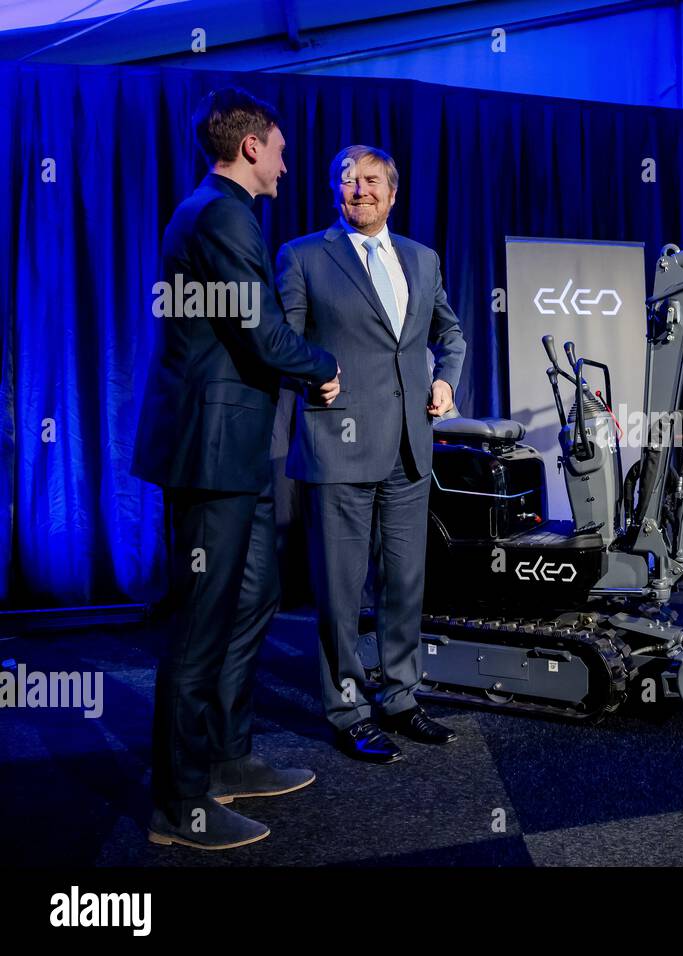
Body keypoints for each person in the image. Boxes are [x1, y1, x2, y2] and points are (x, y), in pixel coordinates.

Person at [133, 88, 340, 851]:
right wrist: (324, 366)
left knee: (252, 601)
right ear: (250, 146)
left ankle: (225, 759)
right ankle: (179, 806)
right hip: (211, 453)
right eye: (281, 149)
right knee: (201, 625)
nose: (287, 164)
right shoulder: (221, 214)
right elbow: (261, 334)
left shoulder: (221, 213)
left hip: (239, 451)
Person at [276, 145, 466, 763]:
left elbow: (450, 333)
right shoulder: (304, 256)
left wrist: (445, 380)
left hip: (411, 448)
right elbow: (282, 341)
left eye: (371, 179)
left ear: (393, 191)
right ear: (337, 191)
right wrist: (311, 374)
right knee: (339, 590)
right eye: (347, 179)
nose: (359, 188)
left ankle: (401, 695)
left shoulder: (422, 258)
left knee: (405, 584)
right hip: (338, 449)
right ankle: (347, 707)